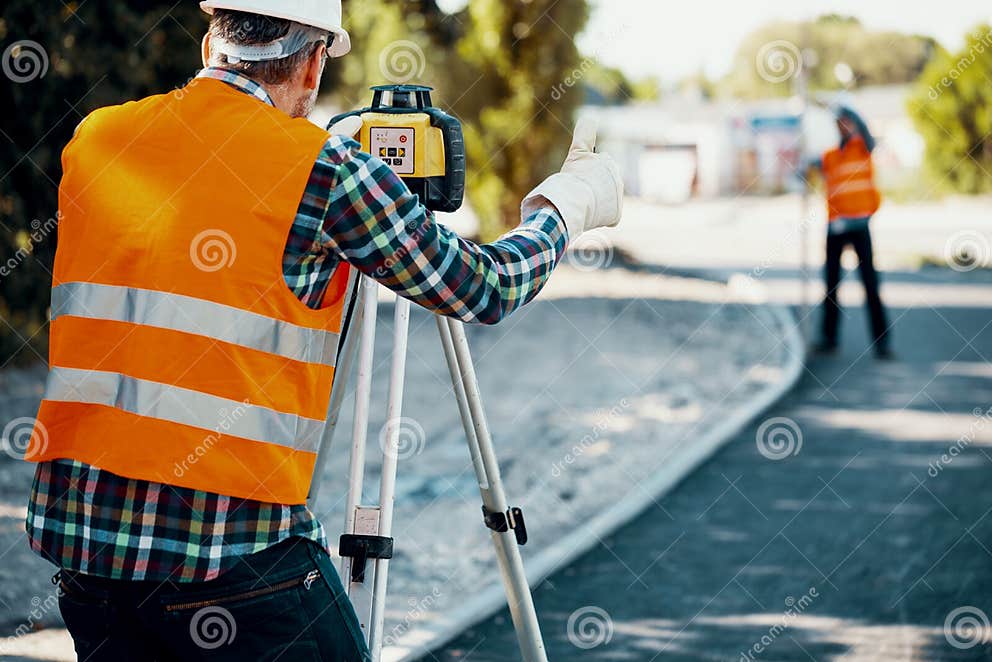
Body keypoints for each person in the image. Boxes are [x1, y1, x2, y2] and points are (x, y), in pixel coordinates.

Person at [23, 1, 623, 659]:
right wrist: (566, 206)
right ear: (312, 66)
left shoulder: (97, 138)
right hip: (228, 553)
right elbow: (484, 287)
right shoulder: (325, 168)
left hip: (81, 546)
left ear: (210, 44)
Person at [813, 106, 891, 359]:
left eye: (847, 121)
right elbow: (810, 168)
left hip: (859, 226)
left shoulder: (863, 147)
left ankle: (882, 343)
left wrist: (842, 105)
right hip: (835, 226)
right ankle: (829, 339)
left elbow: (863, 125)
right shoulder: (830, 156)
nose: (843, 126)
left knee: (870, 284)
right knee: (831, 285)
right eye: (839, 122)